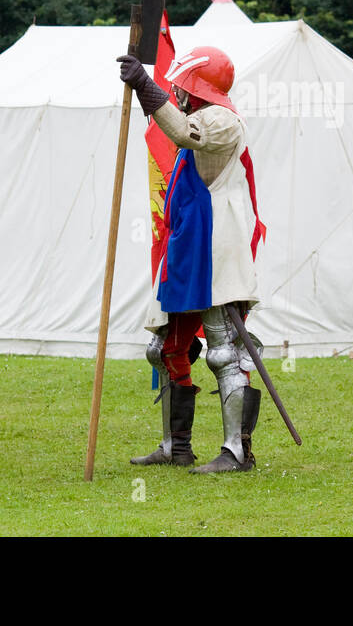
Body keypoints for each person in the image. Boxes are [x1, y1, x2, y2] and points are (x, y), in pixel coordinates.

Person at [117, 47, 266, 473]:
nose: (176, 93)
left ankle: (236, 451)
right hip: (188, 242)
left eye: (181, 87)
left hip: (218, 241)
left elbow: (183, 133)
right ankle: (174, 446)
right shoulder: (201, 115)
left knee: (224, 350)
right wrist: (147, 91)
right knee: (165, 346)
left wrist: (145, 86)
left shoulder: (222, 120)